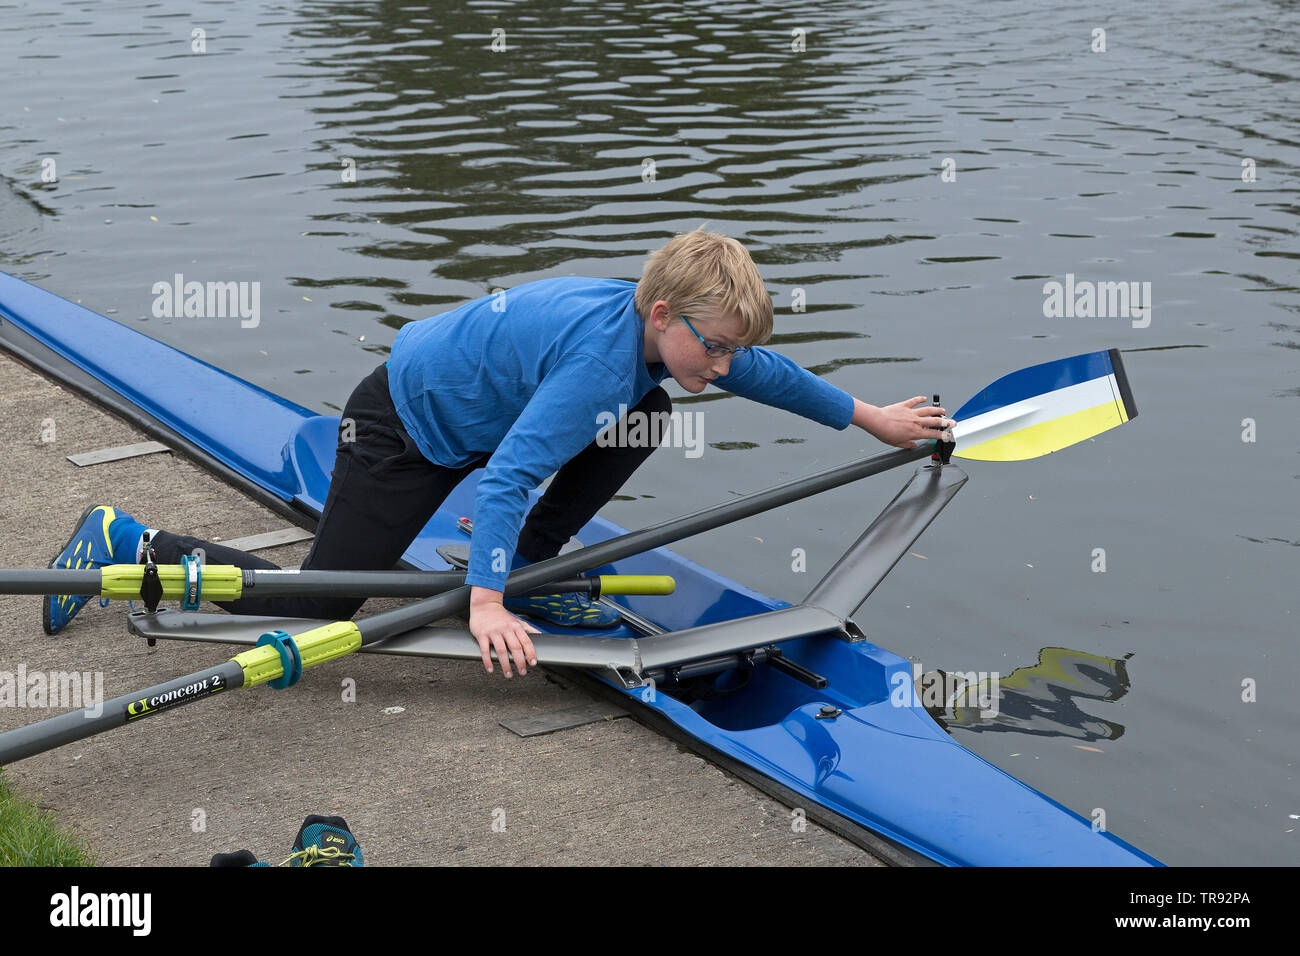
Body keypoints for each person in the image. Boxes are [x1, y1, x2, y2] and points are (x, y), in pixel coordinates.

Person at [44, 229, 952, 679]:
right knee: (324, 607)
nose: (720, 365)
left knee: (654, 413)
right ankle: (133, 540)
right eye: (710, 347)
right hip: (402, 429)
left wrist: (870, 416)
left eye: (727, 351)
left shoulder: (658, 333)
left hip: (476, 415)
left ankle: (529, 561)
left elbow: (765, 371)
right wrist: (484, 605)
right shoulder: (603, 363)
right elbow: (517, 470)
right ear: (663, 316)